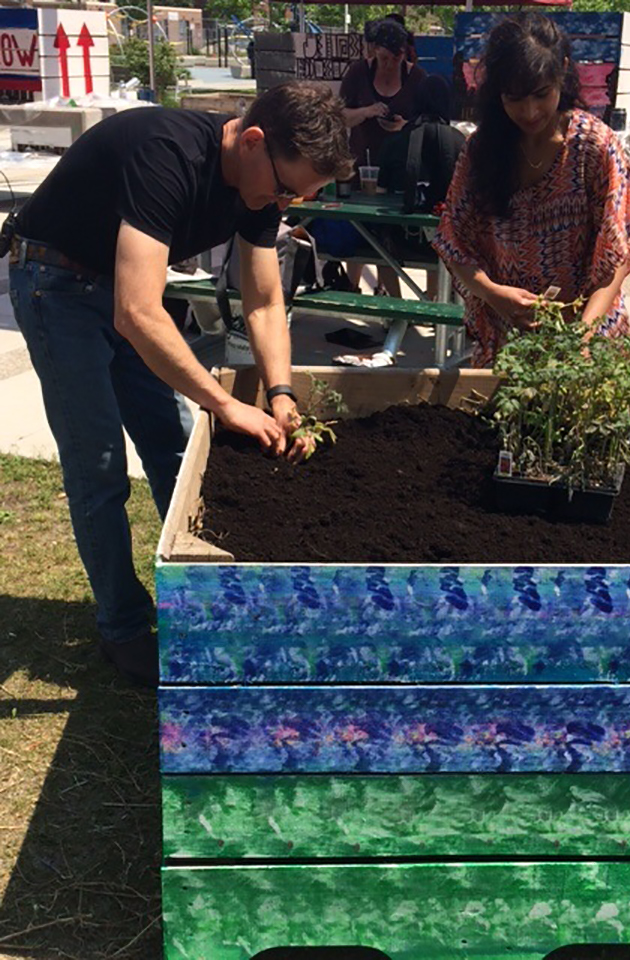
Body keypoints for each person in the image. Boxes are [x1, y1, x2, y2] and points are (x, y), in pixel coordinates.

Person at [9, 82, 353, 686]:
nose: (283, 204)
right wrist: (224, 403)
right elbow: (137, 312)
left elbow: (267, 302)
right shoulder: (164, 154)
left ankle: (207, 600)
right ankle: (122, 627)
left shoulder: (256, 184)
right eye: (283, 190)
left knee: (175, 446)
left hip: (117, 291)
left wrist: (280, 393)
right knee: (99, 466)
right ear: (253, 141)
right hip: (55, 283)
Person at [433, 13, 630, 368]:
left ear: (561, 71)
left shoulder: (593, 147)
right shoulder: (482, 150)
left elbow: (619, 252)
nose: (530, 111)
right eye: (514, 98)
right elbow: (453, 242)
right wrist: (494, 294)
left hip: (587, 336)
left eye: (541, 94)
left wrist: (584, 332)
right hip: (508, 342)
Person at [340, 18, 427, 292]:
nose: (389, 65)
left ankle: (391, 294)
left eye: (394, 59)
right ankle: (353, 288)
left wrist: (405, 126)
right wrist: (365, 112)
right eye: (384, 58)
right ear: (374, 51)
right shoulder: (358, 73)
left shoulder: (417, 78)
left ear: (404, 53)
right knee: (359, 232)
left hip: (399, 171)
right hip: (363, 163)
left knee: (390, 237)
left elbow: (428, 123)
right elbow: (340, 116)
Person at [377, 75, 466, 298]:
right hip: (445, 244)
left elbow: (380, 194)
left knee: (377, 242)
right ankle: (434, 296)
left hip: (399, 241)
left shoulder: (394, 142)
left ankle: (395, 306)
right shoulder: (461, 142)